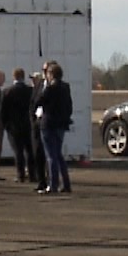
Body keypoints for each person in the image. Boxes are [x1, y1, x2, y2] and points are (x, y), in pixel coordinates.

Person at [38, 61, 74, 195]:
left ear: (51, 74)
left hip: (49, 124)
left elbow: (39, 101)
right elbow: (69, 107)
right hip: (61, 124)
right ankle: (66, 184)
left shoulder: (50, 88)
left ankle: (53, 185)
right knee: (58, 155)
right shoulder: (65, 87)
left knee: (51, 155)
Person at [0, 68, 36, 184]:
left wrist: (5, 124)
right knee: (29, 150)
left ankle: (20, 175)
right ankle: (32, 175)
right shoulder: (30, 91)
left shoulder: (7, 92)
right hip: (28, 124)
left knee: (18, 151)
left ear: (14, 77)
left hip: (13, 126)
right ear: (23, 77)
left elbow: (2, 111)